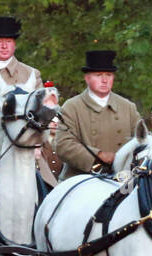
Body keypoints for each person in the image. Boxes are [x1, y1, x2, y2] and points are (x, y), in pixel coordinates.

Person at [54, 50, 143, 180]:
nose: (104, 80)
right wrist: (98, 155)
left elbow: (141, 141)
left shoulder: (128, 107)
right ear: (87, 78)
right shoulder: (71, 107)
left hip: (123, 180)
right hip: (80, 180)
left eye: (108, 75)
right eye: (98, 75)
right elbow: (63, 146)